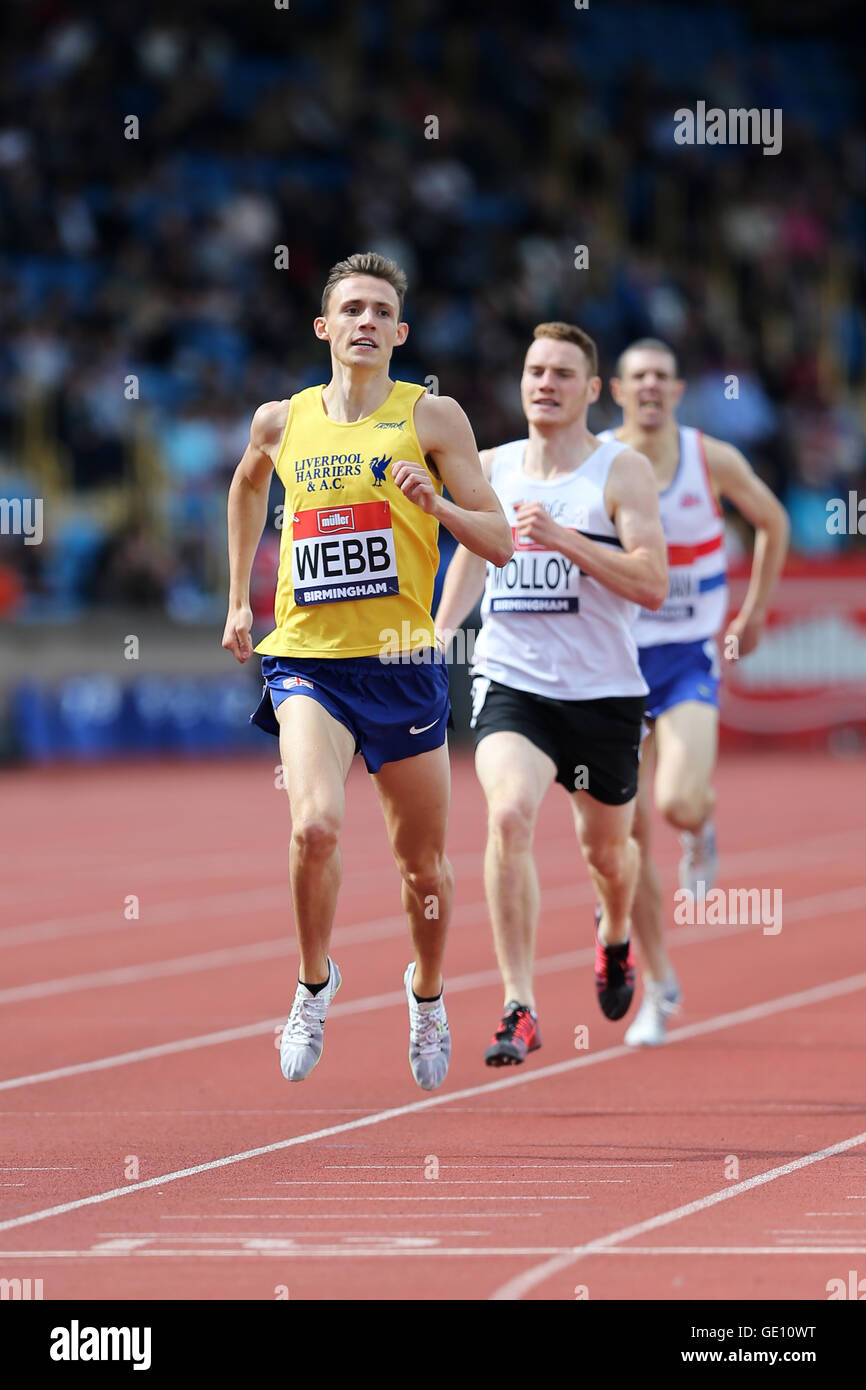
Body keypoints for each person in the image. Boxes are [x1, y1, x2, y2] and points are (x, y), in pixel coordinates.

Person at [222, 252, 512, 1088]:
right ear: (324, 327)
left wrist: (439, 505)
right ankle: (315, 984)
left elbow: (499, 542)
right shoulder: (282, 420)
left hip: (402, 666)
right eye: (350, 309)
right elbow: (246, 488)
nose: (365, 323)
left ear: (400, 333)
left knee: (422, 867)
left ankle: (426, 994)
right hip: (308, 663)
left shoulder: (434, 417)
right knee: (312, 827)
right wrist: (241, 599)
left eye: (381, 312)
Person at [434, 323, 667, 1066]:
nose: (545, 383)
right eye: (535, 370)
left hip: (603, 696)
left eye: (563, 373)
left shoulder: (619, 473)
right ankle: (519, 1003)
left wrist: (567, 539)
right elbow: (474, 554)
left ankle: (615, 934)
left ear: (593, 390)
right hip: (515, 684)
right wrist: (439, 633)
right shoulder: (492, 466)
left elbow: (652, 584)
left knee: (609, 854)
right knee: (508, 814)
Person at [598, 339, 789, 1046]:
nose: (650, 387)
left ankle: (701, 827)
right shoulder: (599, 461)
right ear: (616, 389)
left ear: (678, 391)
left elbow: (772, 521)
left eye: (662, 378)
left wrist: (756, 611)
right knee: (628, 839)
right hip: (612, 662)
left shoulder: (712, 458)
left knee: (676, 801)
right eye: (638, 377)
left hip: (685, 659)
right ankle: (659, 985)